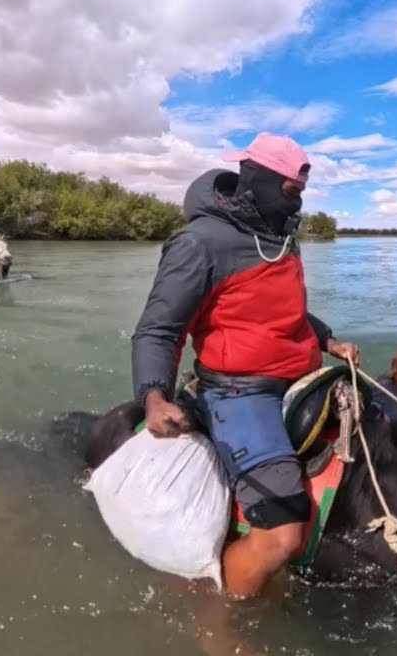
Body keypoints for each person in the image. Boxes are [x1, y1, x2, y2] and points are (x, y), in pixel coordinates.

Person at [131, 132, 360, 599]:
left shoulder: (281, 237)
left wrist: (328, 340)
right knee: (282, 534)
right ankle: (220, 618)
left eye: (302, 192)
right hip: (240, 391)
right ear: (259, 182)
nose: (297, 202)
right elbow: (158, 331)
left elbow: (285, 310)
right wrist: (154, 398)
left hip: (301, 374)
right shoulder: (200, 243)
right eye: (291, 191)